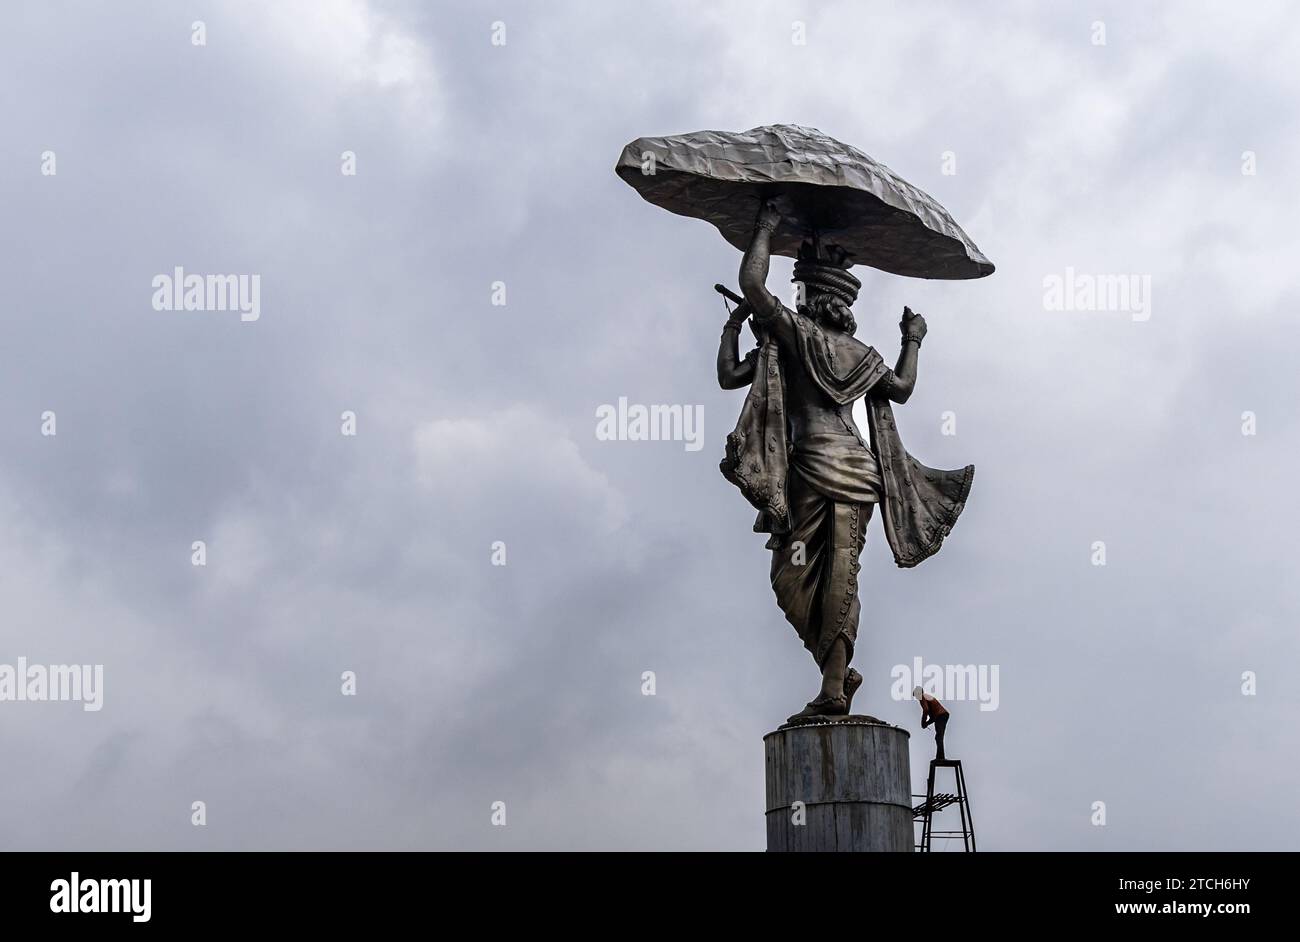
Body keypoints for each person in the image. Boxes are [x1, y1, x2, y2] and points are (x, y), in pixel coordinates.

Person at [718, 199, 973, 724]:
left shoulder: (801, 336)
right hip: (835, 469)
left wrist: (765, 224)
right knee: (798, 579)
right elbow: (900, 387)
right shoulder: (823, 348)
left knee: (834, 576)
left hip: (836, 470)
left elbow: (753, 285)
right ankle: (836, 672)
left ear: (812, 298)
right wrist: (912, 339)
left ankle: (833, 684)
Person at [914, 686, 950, 761]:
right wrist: (926, 723)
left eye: (916, 696)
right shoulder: (927, 697)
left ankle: (940, 758)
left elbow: (926, 710)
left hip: (941, 716)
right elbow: (933, 717)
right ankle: (940, 757)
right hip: (942, 716)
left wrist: (923, 722)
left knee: (939, 737)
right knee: (938, 737)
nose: (917, 698)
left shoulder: (922, 697)